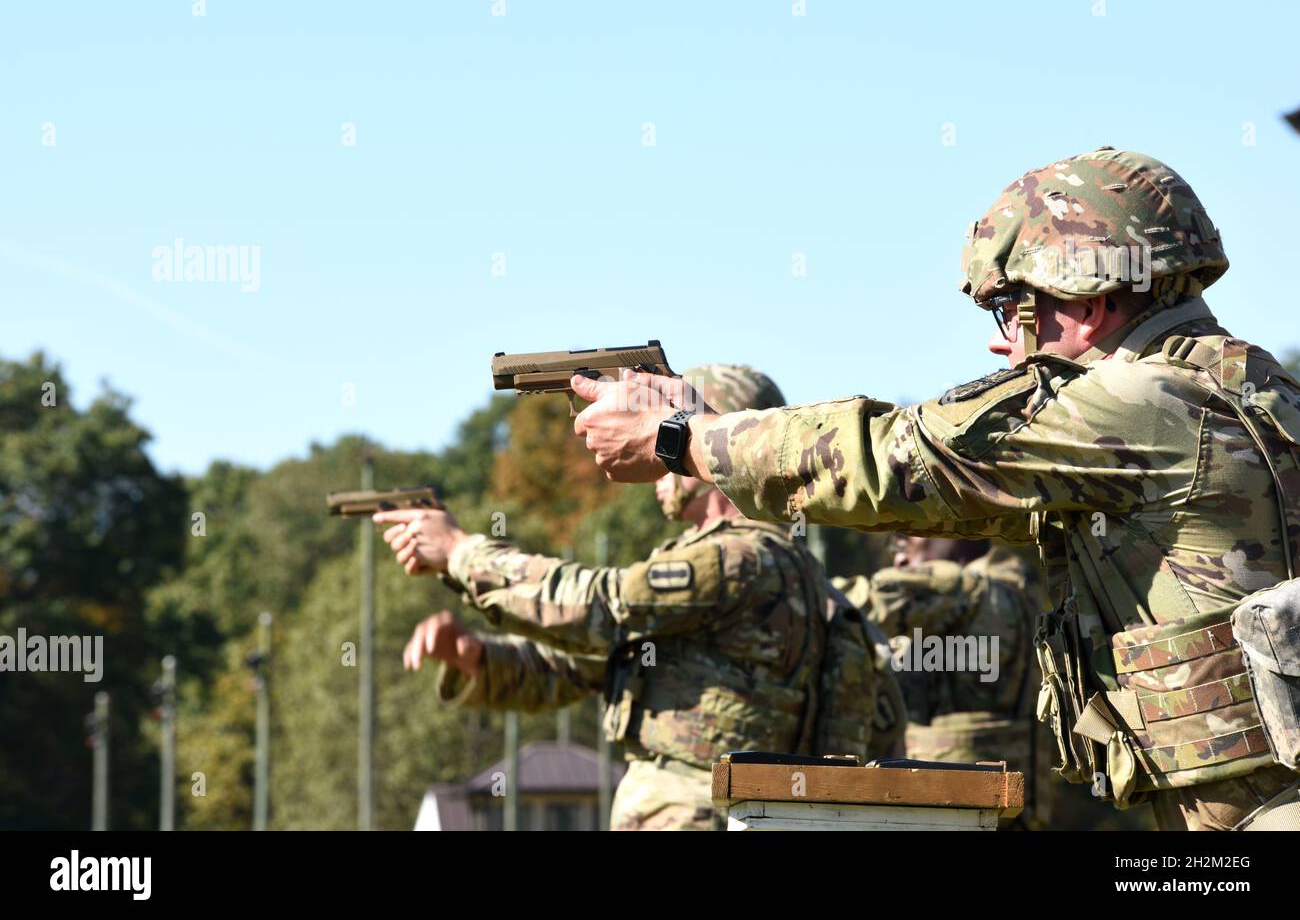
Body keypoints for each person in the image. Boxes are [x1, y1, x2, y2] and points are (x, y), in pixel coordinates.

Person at [569, 147, 1300, 831]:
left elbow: (900, 457)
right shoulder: (1259, 389)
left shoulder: (1134, 401)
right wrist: (714, 432)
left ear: (1086, 304)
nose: (1001, 342)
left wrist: (681, 439)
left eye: (1010, 309)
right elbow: (951, 484)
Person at [377, 365, 881, 830]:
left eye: (673, 420)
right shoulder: (788, 571)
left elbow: (599, 609)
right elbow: (580, 665)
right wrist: (473, 656)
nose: (658, 449)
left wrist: (462, 552)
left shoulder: (737, 560)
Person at [836, 536, 1047, 826]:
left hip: (952, 808)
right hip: (1012, 811)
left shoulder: (969, 592)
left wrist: (796, 573)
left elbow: (858, 605)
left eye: (904, 542)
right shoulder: (1019, 589)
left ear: (953, 534)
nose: (900, 559)